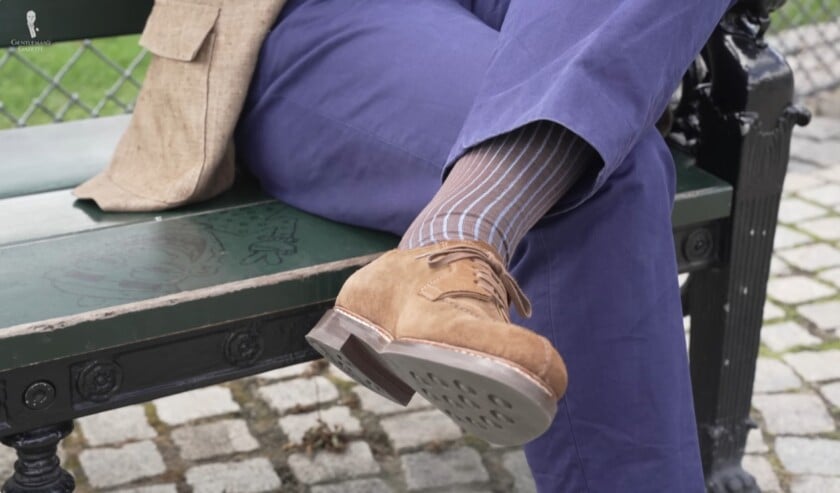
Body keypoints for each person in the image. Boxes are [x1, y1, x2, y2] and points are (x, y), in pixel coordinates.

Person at [235, 1, 732, 490]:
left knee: (586, 133)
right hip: (323, 16)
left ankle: (451, 239)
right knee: (605, 162)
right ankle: (459, 236)